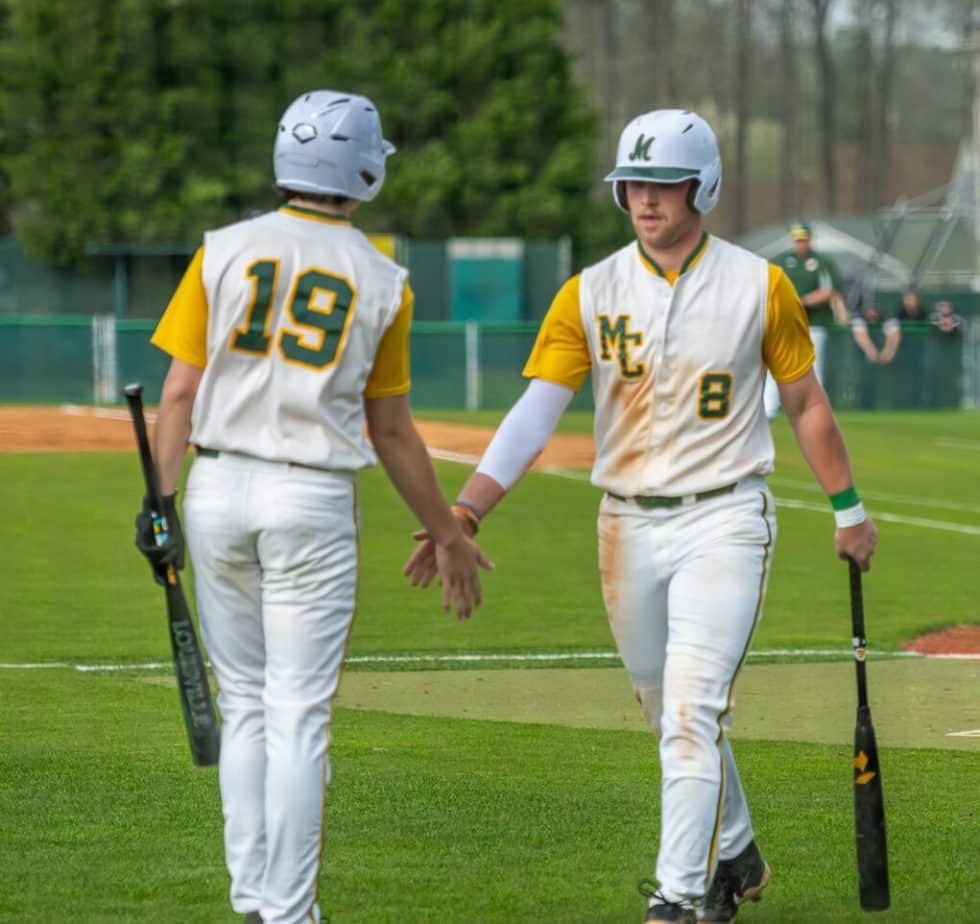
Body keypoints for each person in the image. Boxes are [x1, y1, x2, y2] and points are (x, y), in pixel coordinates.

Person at [404, 109, 878, 923]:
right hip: (624, 525)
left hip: (725, 519)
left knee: (694, 710)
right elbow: (535, 411)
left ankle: (679, 899)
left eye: (664, 184)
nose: (646, 199)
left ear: (704, 187)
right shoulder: (588, 292)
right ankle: (735, 853)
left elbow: (804, 403)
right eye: (633, 183)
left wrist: (850, 508)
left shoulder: (762, 285)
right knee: (666, 713)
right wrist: (469, 508)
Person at [134, 89, 491, 924]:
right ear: (362, 168)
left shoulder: (221, 249)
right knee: (297, 714)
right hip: (310, 498)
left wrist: (158, 503)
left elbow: (179, 394)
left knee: (247, 703)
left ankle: (254, 896)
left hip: (217, 489)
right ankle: (289, 912)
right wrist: (448, 533)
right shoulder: (382, 278)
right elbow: (393, 430)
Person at [763, 219, 846, 420]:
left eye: (803, 239)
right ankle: (768, 410)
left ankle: (816, 411)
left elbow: (830, 290)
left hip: (814, 323)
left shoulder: (822, 262)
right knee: (774, 366)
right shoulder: (782, 260)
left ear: (810, 239)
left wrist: (804, 301)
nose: (800, 243)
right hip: (784, 324)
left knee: (813, 368)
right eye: (797, 240)